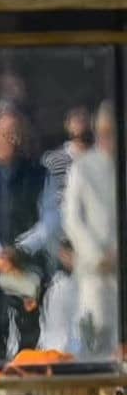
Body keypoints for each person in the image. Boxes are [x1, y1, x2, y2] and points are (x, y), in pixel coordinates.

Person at [0, 103, 58, 363]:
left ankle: (26, 390)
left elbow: (50, 220)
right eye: (6, 133)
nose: (12, 140)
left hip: (27, 265)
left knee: (29, 337)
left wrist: (21, 248)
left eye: (16, 133)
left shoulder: (40, 174)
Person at [63, 102, 118, 355]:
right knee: (95, 335)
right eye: (104, 131)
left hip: (120, 270)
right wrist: (97, 254)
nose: (108, 138)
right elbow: (73, 219)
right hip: (93, 272)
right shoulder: (82, 167)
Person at [38, 106, 93, 351]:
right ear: (67, 124)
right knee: (60, 327)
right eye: (75, 118)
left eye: (85, 118)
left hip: (95, 252)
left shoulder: (103, 160)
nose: (80, 123)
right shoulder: (52, 161)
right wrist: (59, 250)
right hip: (61, 251)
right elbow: (46, 209)